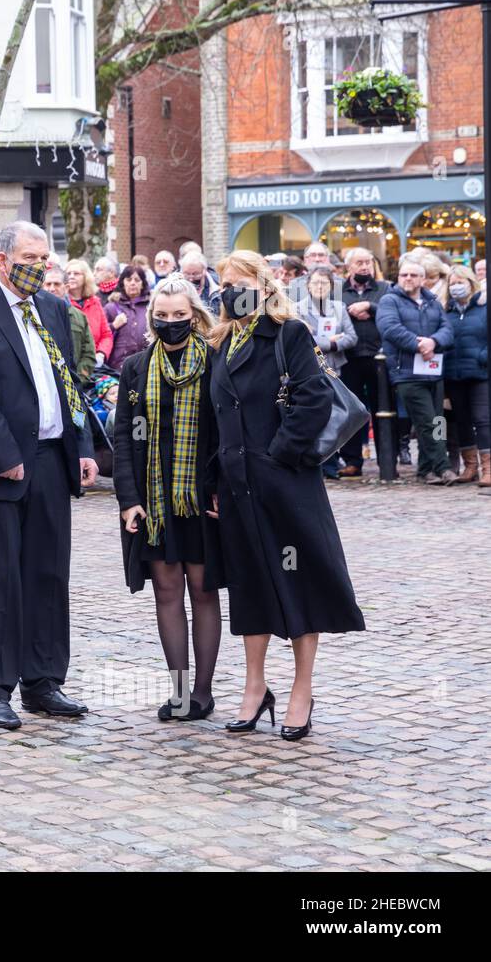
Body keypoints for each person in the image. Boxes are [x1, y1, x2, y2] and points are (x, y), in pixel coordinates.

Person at [208, 249, 365, 741]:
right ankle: (255, 687)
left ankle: (302, 689)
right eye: (222, 283)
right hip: (236, 487)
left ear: (261, 283)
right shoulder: (221, 342)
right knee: (251, 585)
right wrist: (216, 478)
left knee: (299, 584)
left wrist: (279, 454)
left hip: (285, 482)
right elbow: (218, 421)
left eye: (237, 282)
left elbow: (314, 397)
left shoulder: (288, 333)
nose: (228, 290)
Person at [0, 220, 98, 730]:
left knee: (49, 574)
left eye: (46, 257)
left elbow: (69, 384)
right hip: (0, 467)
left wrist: (81, 446)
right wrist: (5, 451)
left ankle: (44, 681)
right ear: (4, 260)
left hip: (53, 460)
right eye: (31, 258)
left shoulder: (55, 308)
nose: (42, 266)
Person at [114, 274, 223, 721]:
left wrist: (220, 488)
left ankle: (202, 692)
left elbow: (227, 431)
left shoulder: (216, 361)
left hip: (202, 497)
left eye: (180, 315)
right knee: (165, 590)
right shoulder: (136, 367)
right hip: (154, 500)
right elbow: (123, 435)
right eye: (162, 316)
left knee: (202, 589)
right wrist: (128, 498)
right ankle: (178, 690)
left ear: (194, 316)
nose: (171, 322)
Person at [378, 257, 457, 485]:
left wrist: (433, 342)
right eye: (404, 275)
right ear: (398, 277)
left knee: (438, 421)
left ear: (423, 279)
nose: (408, 278)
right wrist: (418, 344)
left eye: (414, 275)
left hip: (433, 371)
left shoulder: (432, 302)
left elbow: (447, 330)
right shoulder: (389, 300)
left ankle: (426, 470)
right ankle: (443, 468)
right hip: (407, 374)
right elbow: (390, 328)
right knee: (427, 421)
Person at [295, 264, 358, 479]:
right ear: (308, 285)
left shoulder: (339, 308)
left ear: (331, 285)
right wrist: (327, 340)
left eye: (324, 282)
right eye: (315, 282)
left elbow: (351, 337)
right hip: (310, 369)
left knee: (335, 416)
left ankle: (331, 463)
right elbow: (303, 339)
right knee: (316, 416)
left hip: (336, 369)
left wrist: (330, 344)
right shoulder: (297, 309)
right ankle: (317, 462)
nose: (320, 286)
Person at [336, 248, 389, 478]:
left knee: (383, 409)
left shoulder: (384, 288)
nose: (365, 266)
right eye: (359, 262)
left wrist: (371, 307)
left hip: (379, 358)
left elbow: (390, 311)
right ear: (349, 267)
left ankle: (387, 459)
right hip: (350, 358)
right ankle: (352, 460)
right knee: (353, 411)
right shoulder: (338, 291)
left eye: (368, 262)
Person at [442, 265, 489, 486]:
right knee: (461, 420)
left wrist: (483, 356)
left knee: (482, 420)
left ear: (471, 283)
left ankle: (488, 467)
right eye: (452, 283)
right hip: (453, 372)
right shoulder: (445, 311)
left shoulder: (483, 307)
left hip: (480, 373)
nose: (456, 287)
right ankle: (469, 465)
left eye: (461, 282)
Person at [44, 265, 94, 382]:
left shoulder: (79, 317)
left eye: (56, 284)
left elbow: (88, 353)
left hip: (72, 382)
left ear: (66, 288)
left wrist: (78, 379)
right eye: (48, 284)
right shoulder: (33, 314)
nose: (51, 289)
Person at [64, 259, 113, 365]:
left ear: (86, 277)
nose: (71, 276)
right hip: (72, 364)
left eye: (76, 273)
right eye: (68, 273)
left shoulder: (95, 302)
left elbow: (106, 334)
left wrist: (101, 354)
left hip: (96, 363)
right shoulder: (62, 303)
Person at [104, 264, 151, 371]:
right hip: (117, 367)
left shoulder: (151, 307)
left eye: (137, 280)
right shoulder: (111, 307)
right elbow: (99, 335)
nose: (133, 283)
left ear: (143, 284)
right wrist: (113, 325)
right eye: (129, 280)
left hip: (146, 365)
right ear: (123, 283)